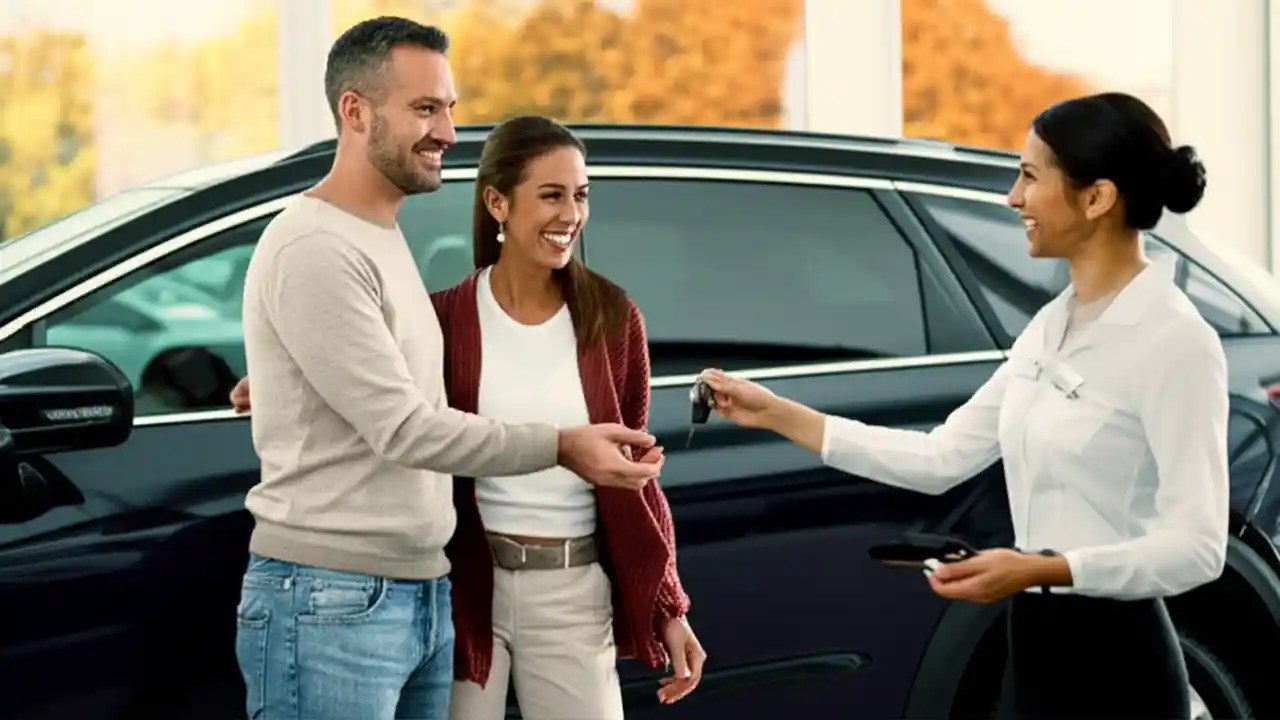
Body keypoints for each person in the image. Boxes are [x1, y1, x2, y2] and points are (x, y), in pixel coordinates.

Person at [696, 92, 1227, 720]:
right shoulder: (1053, 325)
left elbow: (1198, 546)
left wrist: (1041, 568)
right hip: (1034, 647)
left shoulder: (1175, 340)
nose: (1013, 198)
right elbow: (940, 457)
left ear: (1097, 198)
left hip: (1120, 666)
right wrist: (777, 413)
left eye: (1030, 176)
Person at [234, 17, 661, 720]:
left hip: (416, 593)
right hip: (333, 599)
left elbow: (388, 378)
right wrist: (560, 445)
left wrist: (291, 382)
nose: (449, 132)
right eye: (425, 108)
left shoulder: (379, 239)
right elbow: (404, 426)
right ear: (355, 110)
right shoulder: (314, 245)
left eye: (450, 108)